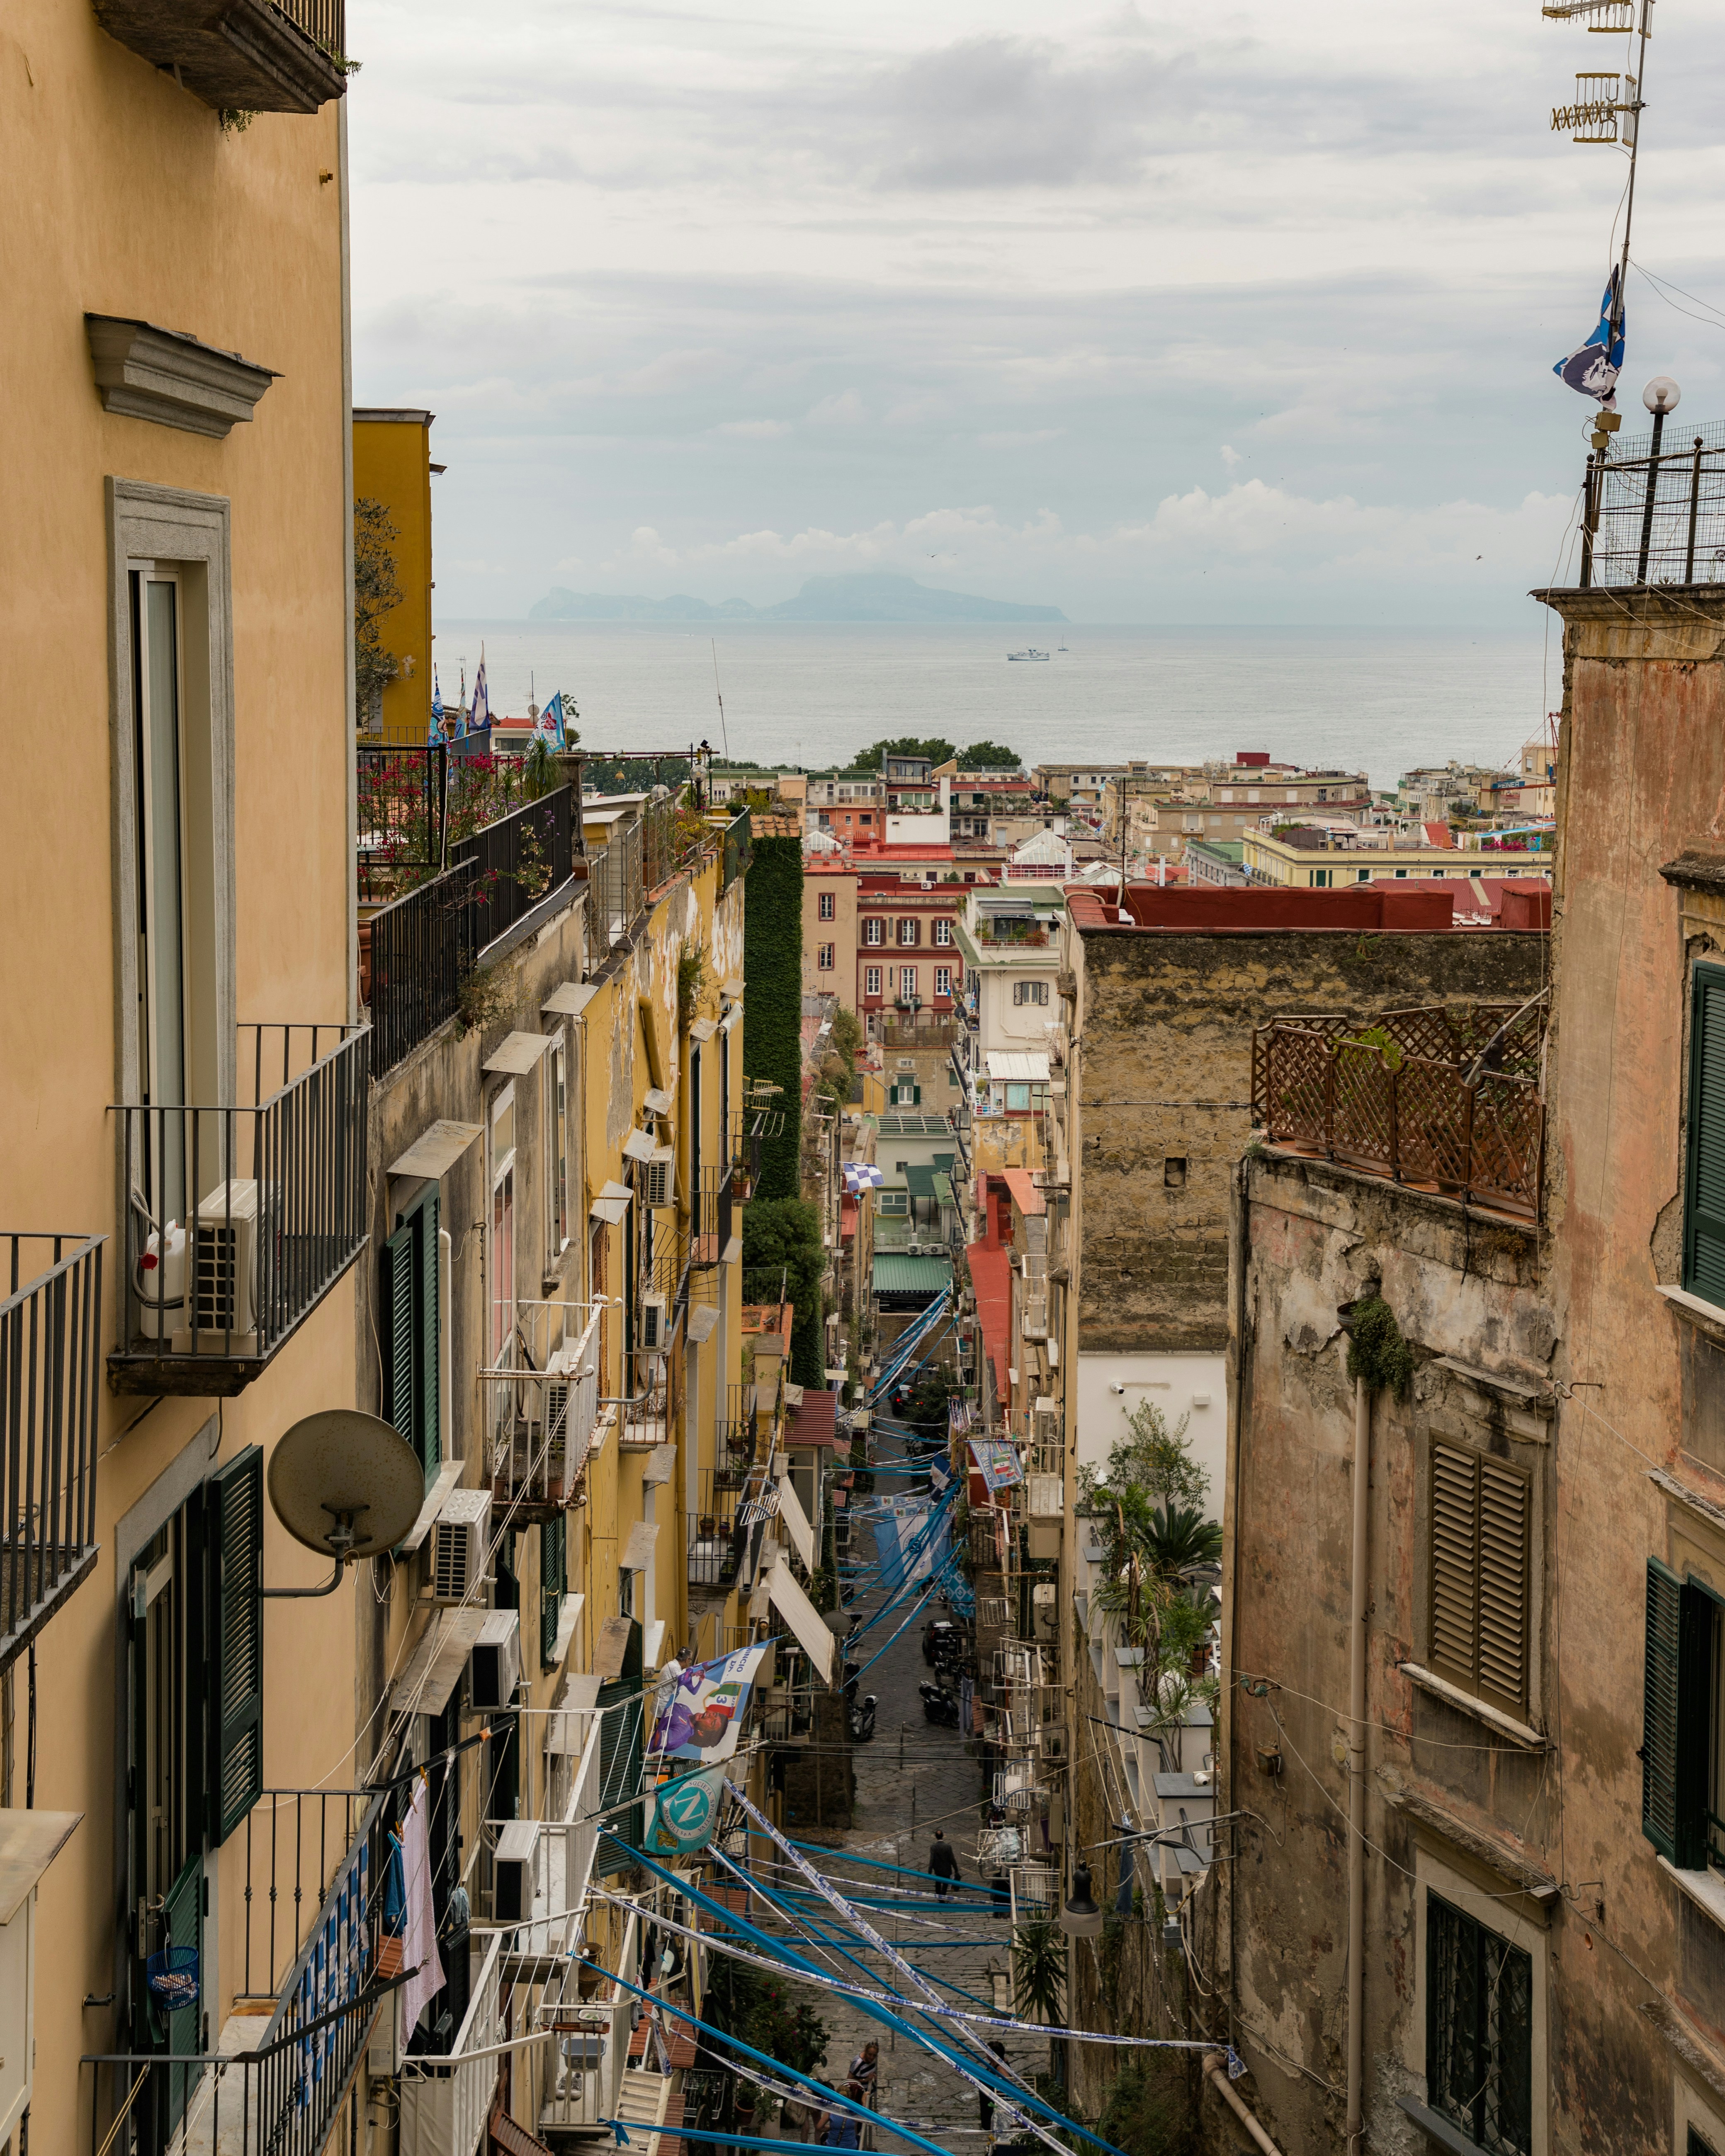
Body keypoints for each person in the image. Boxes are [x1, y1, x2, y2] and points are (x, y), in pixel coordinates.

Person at [978, 2042, 1008, 2133]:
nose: (986, 2053)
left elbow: (1008, 2081)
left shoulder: (1000, 2067)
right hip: (987, 2099)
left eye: (988, 2052)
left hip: (992, 2100)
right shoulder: (993, 2063)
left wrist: (999, 2093)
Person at [927, 1828, 961, 1900]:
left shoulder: (933, 1847)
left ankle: (940, 1898)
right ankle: (943, 1897)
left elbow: (932, 1859)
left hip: (938, 1870)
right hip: (947, 1869)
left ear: (936, 1837)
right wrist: (956, 1869)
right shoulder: (948, 1847)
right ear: (943, 1836)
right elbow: (952, 1859)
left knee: (938, 1884)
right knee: (945, 1885)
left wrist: (930, 1870)